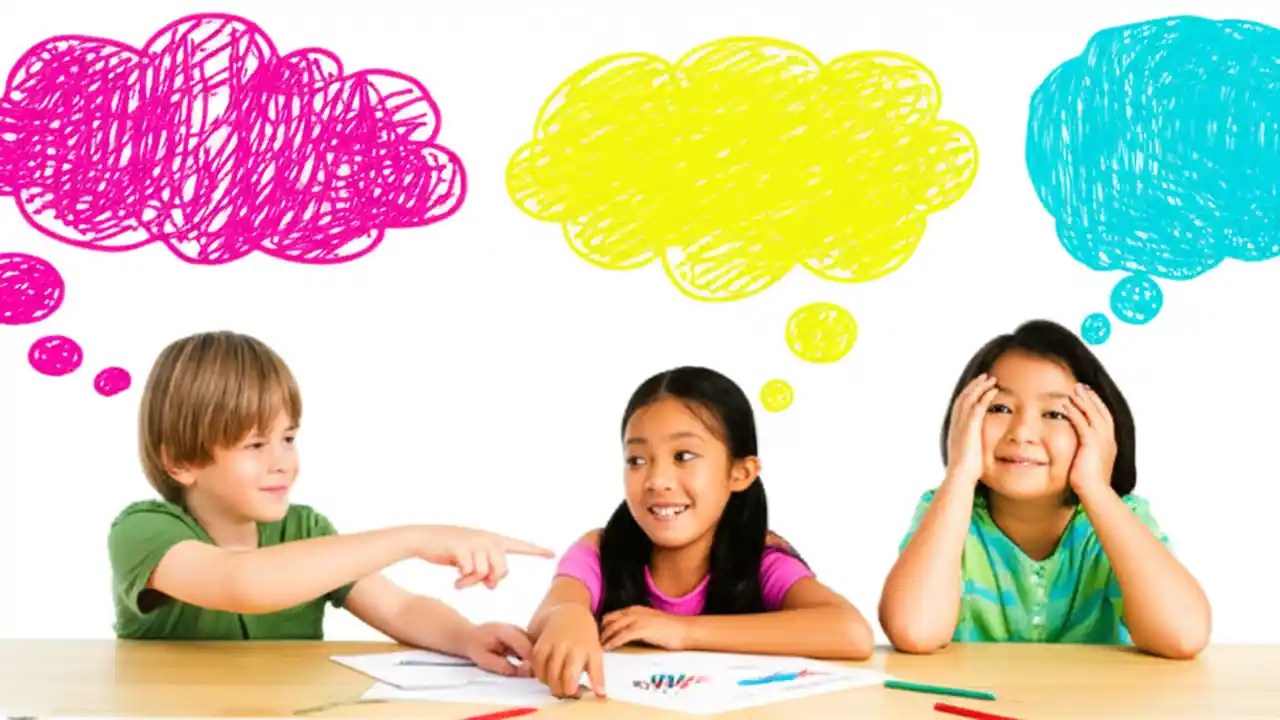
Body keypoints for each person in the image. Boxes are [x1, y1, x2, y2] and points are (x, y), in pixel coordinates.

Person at [107, 331, 554, 676]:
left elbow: (398, 608)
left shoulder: (307, 531)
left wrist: (468, 636)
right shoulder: (143, 530)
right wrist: (416, 538)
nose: (282, 462)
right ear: (181, 461)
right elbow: (239, 582)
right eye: (256, 444)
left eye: (288, 438)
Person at [526, 366, 873, 698]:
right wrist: (568, 615)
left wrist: (681, 631)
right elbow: (553, 610)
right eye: (637, 460)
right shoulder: (599, 550)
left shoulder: (762, 558)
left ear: (740, 472)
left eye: (683, 455)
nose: (657, 480)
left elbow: (851, 633)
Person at [879, 319, 1211, 659]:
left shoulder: (1121, 520)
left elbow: (1183, 636)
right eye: (999, 408)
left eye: (1054, 413)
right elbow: (914, 631)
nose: (1022, 432)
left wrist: (1095, 486)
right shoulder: (947, 514)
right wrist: (960, 472)